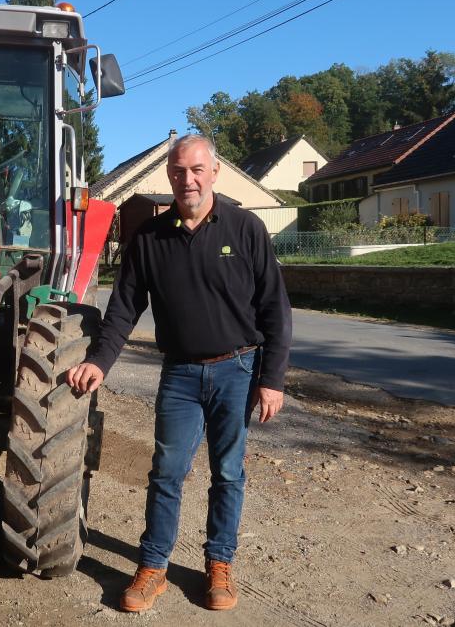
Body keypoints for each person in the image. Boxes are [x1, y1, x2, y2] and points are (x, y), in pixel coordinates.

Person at [68, 134, 291, 612]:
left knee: (228, 472)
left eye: (195, 170)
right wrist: (100, 361)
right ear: (168, 175)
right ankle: (152, 567)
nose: (185, 179)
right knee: (167, 473)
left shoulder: (245, 228)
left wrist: (272, 379)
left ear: (214, 173)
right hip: (181, 377)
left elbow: (275, 308)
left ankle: (219, 565)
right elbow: (125, 308)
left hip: (238, 370)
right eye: (177, 171)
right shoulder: (149, 238)